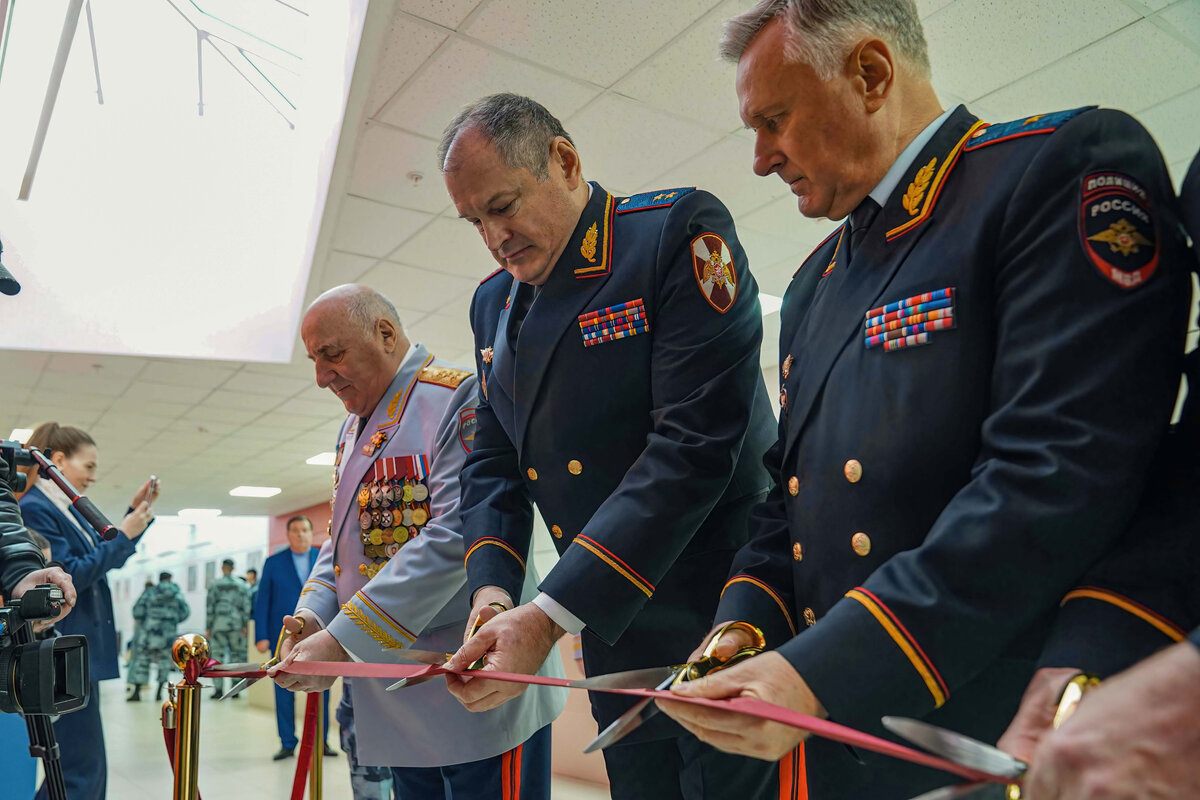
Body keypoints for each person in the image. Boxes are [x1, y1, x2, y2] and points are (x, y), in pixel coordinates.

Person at [656, 2, 1193, 798]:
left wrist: (827, 667)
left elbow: (1055, 471)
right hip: (833, 725)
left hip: (989, 722)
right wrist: (741, 625)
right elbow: (787, 501)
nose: (763, 158)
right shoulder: (813, 283)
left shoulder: (1054, 168)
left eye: (774, 120)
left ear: (871, 74)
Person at [437, 94, 781, 799]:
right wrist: (495, 598)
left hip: (721, 614)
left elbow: (693, 445)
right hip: (615, 635)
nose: (494, 236)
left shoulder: (671, 234)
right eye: (475, 221)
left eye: (503, 205)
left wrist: (552, 611)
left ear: (564, 161)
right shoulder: (491, 305)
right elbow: (494, 466)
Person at [270, 285, 564, 799]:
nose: (321, 377)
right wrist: (312, 614)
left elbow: (457, 532)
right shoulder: (351, 429)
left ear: (385, 333)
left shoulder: (458, 397)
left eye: (332, 354)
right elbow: (340, 541)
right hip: (395, 690)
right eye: (315, 360)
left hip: (473, 679)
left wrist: (341, 638)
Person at [18, 422, 155, 800]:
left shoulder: (61, 506)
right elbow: (68, 577)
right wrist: (124, 534)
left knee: (86, 765)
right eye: (89, 466)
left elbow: (100, 553)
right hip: (62, 650)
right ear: (58, 461)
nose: (93, 476)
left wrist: (133, 517)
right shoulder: (34, 507)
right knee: (79, 768)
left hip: (77, 651)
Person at [254, 515, 334, 760]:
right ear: (288, 535)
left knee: (322, 688)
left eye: (306, 530)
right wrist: (261, 635)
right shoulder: (274, 563)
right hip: (283, 637)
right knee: (284, 688)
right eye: (296, 531)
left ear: (312, 533)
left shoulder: (323, 556)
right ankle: (287, 742)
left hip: (319, 633)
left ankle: (321, 740)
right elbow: (262, 600)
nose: (301, 535)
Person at [128, 571, 190, 701]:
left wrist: (146, 620)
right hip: (167, 634)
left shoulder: (150, 592)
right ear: (170, 579)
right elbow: (185, 611)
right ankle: (159, 693)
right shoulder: (176, 594)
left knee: (142, 661)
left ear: (160, 579)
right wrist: (173, 621)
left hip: (149, 633)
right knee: (164, 662)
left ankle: (137, 692)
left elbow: (137, 611)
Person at [206, 558, 252, 699]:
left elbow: (210, 607)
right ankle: (235, 688)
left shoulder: (215, 585)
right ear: (233, 568)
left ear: (222, 568)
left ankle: (218, 689)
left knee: (217, 657)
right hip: (236, 625)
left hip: (218, 625)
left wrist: (208, 626)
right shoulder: (241, 585)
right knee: (237, 657)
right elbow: (246, 606)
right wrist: (245, 625)